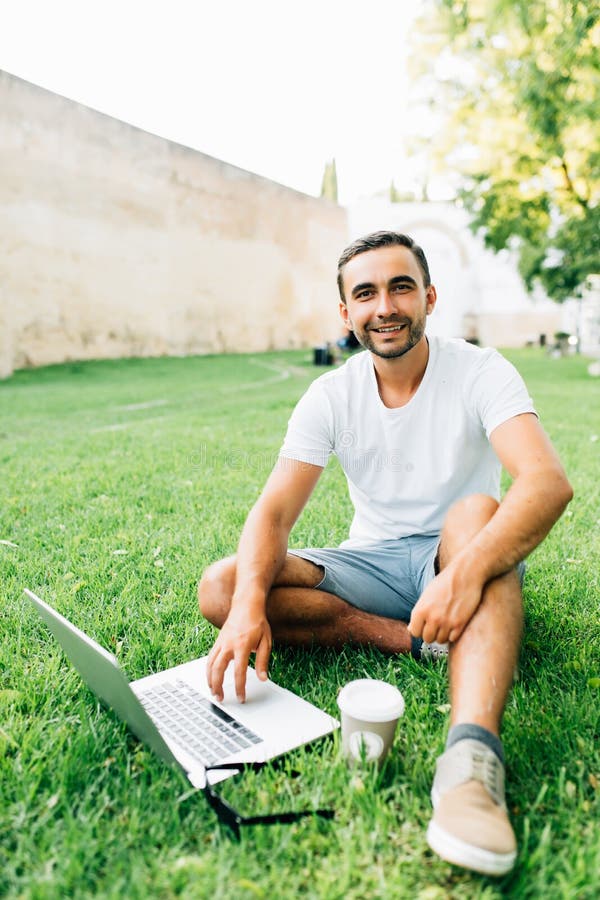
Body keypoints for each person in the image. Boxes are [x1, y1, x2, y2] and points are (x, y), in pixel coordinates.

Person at [198, 231, 572, 876]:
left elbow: (546, 483)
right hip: (370, 562)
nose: (386, 306)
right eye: (365, 293)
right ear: (346, 314)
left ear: (428, 296)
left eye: (401, 287)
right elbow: (275, 513)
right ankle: (411, 641)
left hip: (457, 558)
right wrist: (247, 608)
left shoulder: (481, 370)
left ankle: (471, 763)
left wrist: (468, 573)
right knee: (223, 585)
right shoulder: (332, 394)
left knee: (478, 514)